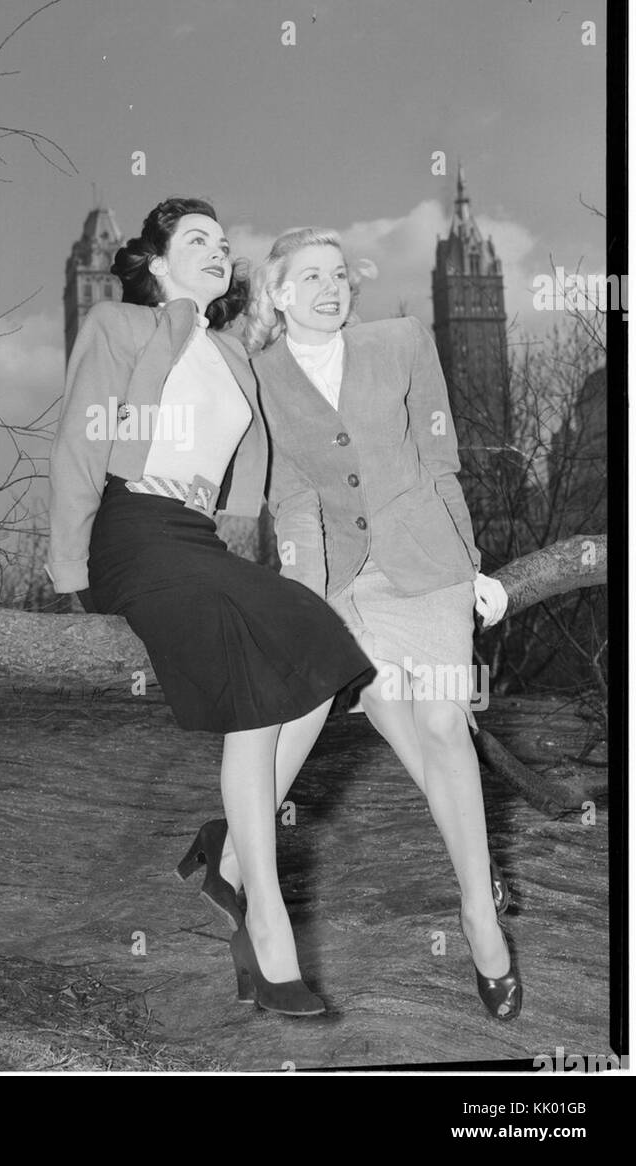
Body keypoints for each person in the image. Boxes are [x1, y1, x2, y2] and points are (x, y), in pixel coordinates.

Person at [47, 198, 374, 1015]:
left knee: (325, 649)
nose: (216, 251)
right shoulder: (120, 327)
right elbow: (80, 445)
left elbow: (282, 344)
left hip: (196, 540)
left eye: (224, 244)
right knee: (254, 699)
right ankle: (267, 931)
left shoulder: (230, 352)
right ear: (155, 262)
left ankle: (228, 845)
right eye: (195, 240)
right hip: (130, 530)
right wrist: (68, 571)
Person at [246, 226, 521, 1020]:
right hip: (338, 577)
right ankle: (474, 870)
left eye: (339, 274)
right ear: (278, 293)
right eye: (311, 277)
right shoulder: (261, 379)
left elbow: (439, 455)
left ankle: (477, 913)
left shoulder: (401, 340)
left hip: (421, 560)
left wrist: (469, 564)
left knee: (438, 719)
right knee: (389, 716)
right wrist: (302, 595)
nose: (330, 288)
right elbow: (288, 497)